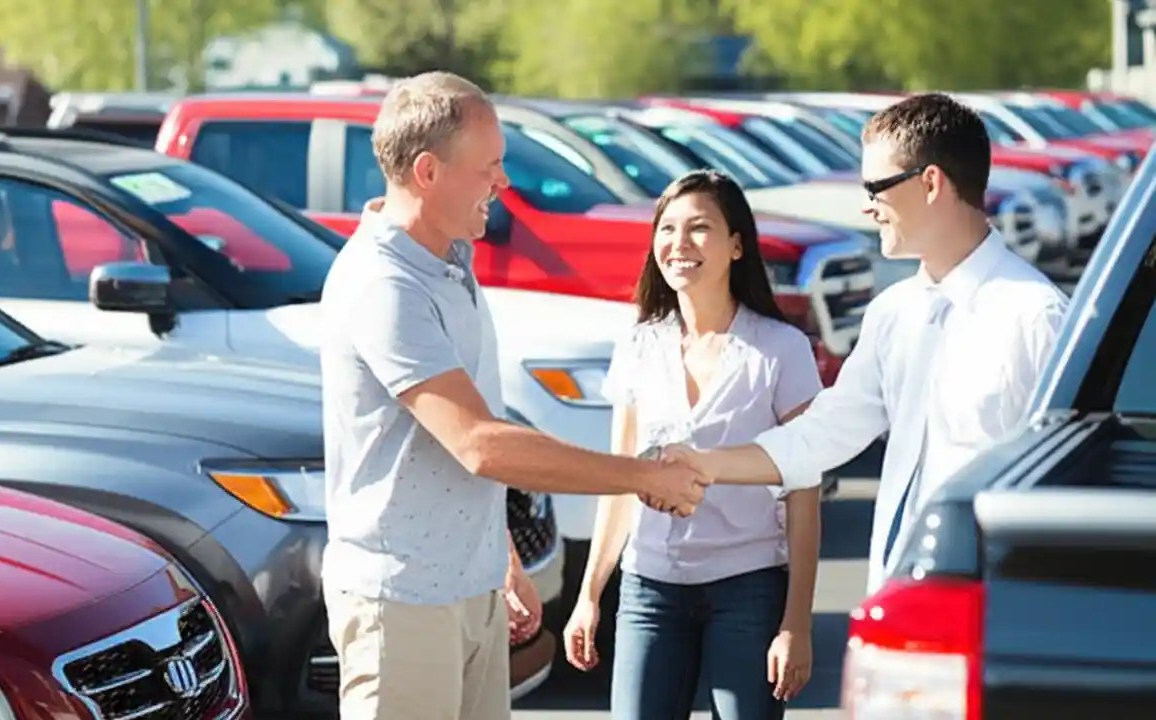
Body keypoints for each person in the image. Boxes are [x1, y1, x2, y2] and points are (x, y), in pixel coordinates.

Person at [317, 70, 711, 720]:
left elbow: (457, 440)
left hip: (469, 590)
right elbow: (477, 443)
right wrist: (641, 476)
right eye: (489, 168)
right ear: (427, 172)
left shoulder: (450, 259)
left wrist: (497, 558)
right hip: (403, 604)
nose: (503, 184)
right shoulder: (383, 285)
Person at [657, 92, 1069, 595]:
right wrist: (707, 463)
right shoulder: (895, 312)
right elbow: (825, 433)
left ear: (931, 182)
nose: (867, 206)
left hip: (990, 608)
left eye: (876, 187)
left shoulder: (1035, 318)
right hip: (897, 598)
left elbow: (1060, 490)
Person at [561, 170, 822, 720]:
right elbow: (620, 482)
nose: (679, 244)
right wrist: (589, 595)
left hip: (748, 588)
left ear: (736, 245)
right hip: (649, 589)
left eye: (699, 228)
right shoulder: (638, 344)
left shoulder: (781, 349)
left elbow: (804, 490)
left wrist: (796, 623)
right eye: (667, 229)